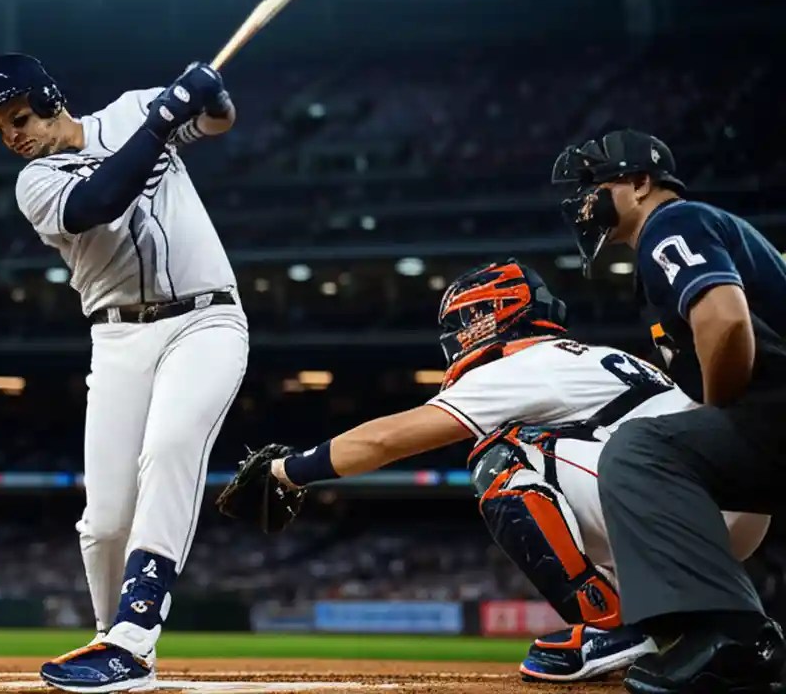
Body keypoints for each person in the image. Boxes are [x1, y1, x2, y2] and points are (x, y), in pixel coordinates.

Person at [253, 259, 769, 683]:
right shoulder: (599, 355)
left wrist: (287, 470)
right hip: (728, 509)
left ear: (489, 315)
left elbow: (385, 440)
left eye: (459, 323)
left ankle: (614, 624)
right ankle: (696, 621)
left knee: (500, 454)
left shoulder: (519, 364)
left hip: (675, 506)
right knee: (558, 452)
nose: (454, 338)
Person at [0, 53, 249, 692]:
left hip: (204, 322)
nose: (11, 134)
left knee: (170, 449)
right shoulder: (33, 184)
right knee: (105, 519)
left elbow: (218, 121)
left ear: (46, 95)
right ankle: (109, 636)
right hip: (118, 337)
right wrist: (161, 123)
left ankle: (133, 639)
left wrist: (207, 94)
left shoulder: (130, 109)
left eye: (16, 115)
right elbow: (99, 200)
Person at [551, 129, 786, 693]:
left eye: (594, 183)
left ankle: (729, 638)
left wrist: (721, 409)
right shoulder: (685, 232)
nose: (584, 201)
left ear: (639, 183)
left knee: (641, 450)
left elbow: (726, 321)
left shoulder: (671, 223)